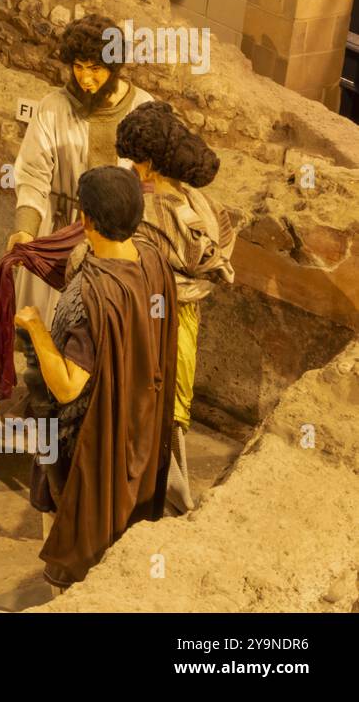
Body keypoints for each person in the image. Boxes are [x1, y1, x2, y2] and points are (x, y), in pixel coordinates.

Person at [15, 166, 178, 591]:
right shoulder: (155, 262)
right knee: (120, 542)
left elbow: (68, 385)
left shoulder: (89, 292)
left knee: (73, 545)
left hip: (85, 441)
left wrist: (34, 326)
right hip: (139, 427)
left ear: (85, 220)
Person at [7, 15, 154, 416]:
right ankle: (40, 400)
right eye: (79, 67)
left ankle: (91, 410)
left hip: (118, 243)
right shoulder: (54, 107)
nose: (86, 79)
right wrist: (26, 230)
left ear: (114, 67)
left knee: (96, 333)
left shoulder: (143, 110)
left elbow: (153, 181)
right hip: (61, 231)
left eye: (96, 69)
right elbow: (34, 173)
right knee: (44, 327)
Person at [115, 101, 235, 512]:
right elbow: (218, 251)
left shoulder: (153, 210)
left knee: (151, 406)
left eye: (135, 161)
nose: (131, 167)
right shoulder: (196, 199)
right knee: (169, 404)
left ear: (149, 163)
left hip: (157, 316)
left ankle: (167, 502)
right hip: (181, 311)